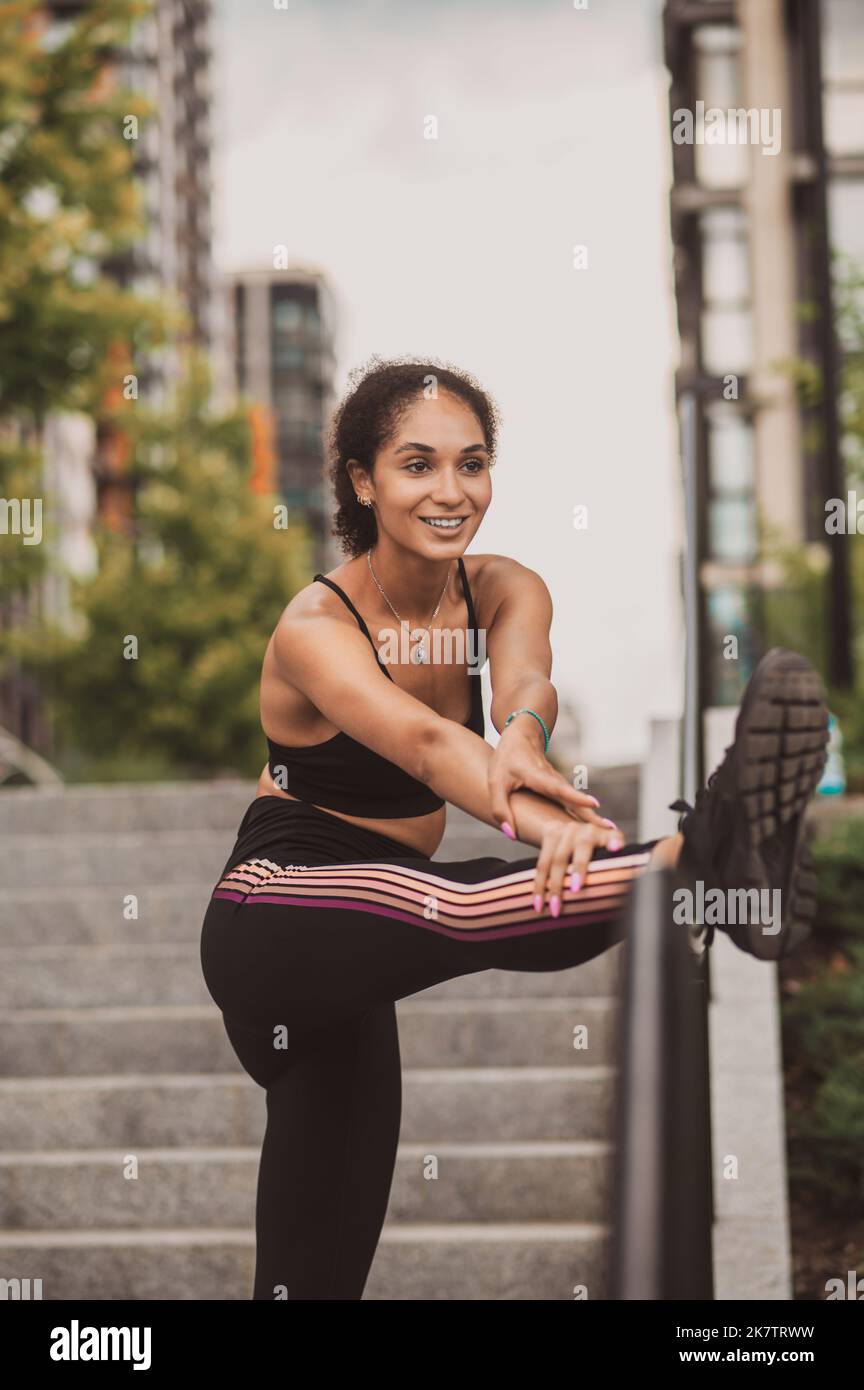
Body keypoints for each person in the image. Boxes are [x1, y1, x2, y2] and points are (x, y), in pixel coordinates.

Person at [199, 357, 829, 1300]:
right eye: (418, 465)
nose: (451, 491)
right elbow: (421, 744)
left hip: (359, 962)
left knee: (311, 1277)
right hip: (280, 910)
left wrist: (525, 737)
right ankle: (695, 861)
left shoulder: (502, 585)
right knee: (464, 904)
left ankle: (697, 861)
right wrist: (543, 820)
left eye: (473, 462)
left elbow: (525, 675)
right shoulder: (315, 627)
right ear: (363, 481)